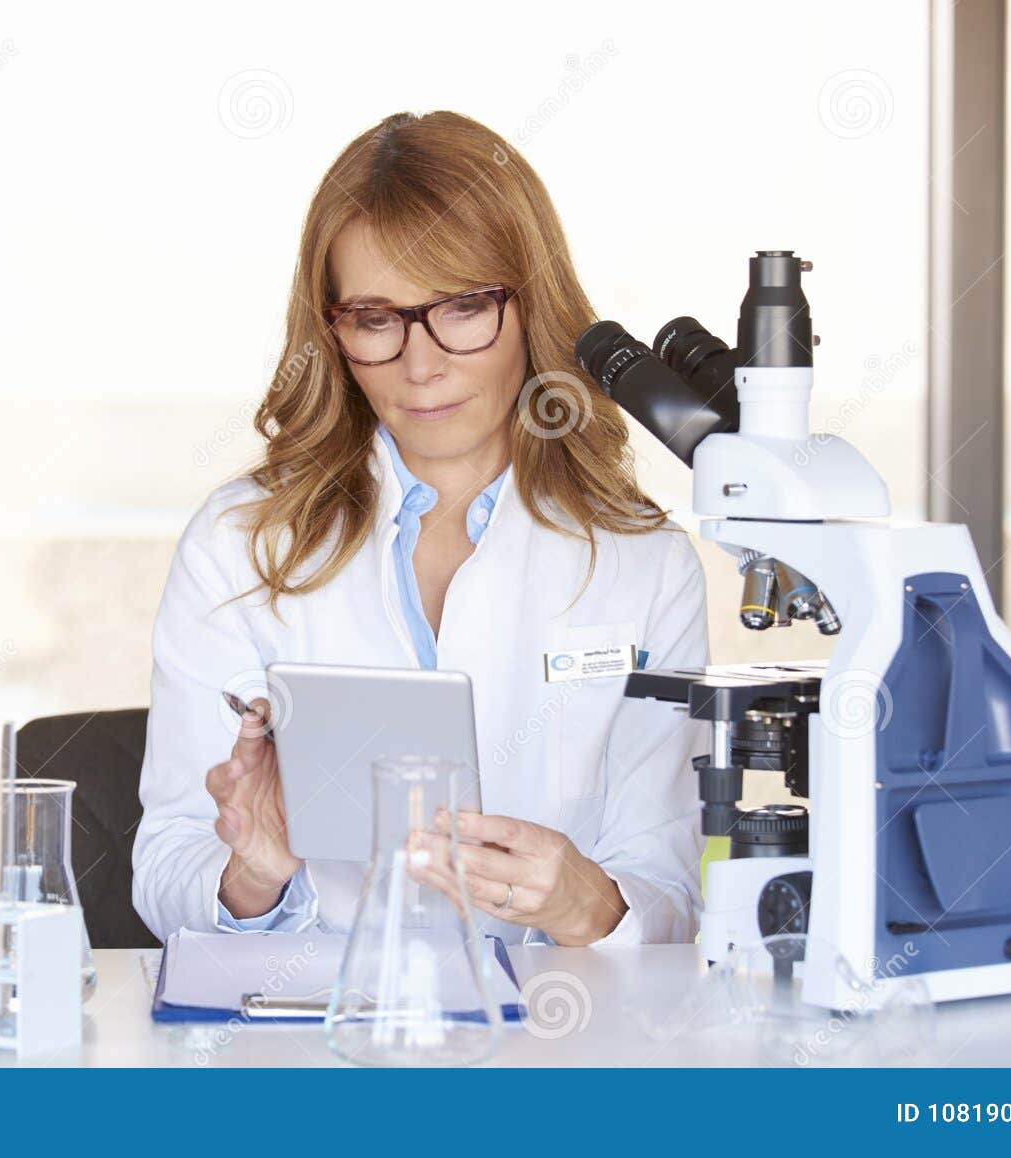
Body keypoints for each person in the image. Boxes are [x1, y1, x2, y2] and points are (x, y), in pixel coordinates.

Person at [132, 110, 710, 947]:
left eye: (463, 307)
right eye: (375, 319)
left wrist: (586, 904)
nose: (421, 362)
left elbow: (671, 893)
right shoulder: (239, 544)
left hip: (554, 1049)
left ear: (531, 303)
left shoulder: (645, 562)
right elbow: (165, 871)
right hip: (316, 1048)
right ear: (332, 331)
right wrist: (255, 872)